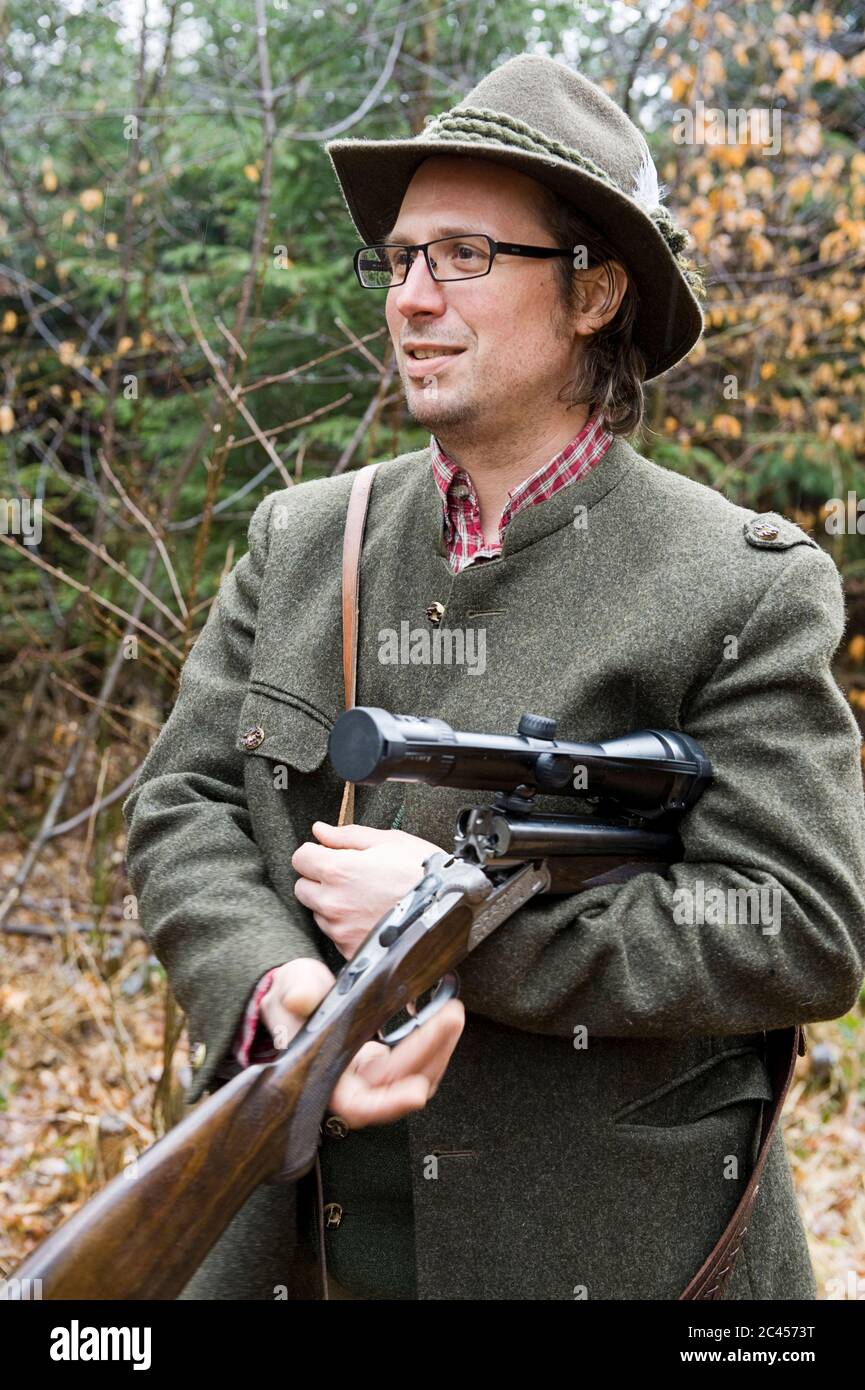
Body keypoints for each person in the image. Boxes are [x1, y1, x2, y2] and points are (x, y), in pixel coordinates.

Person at [124, 53, 865, 1300]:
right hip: (291, 1249)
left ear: (594, 292)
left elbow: (798, 926)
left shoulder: (740, 585)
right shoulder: (302, 541)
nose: (411, 298)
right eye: (399, 260)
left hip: (609, 1255)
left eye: (463, 256)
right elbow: (182, 806)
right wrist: (278, 984)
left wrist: (455, 928)